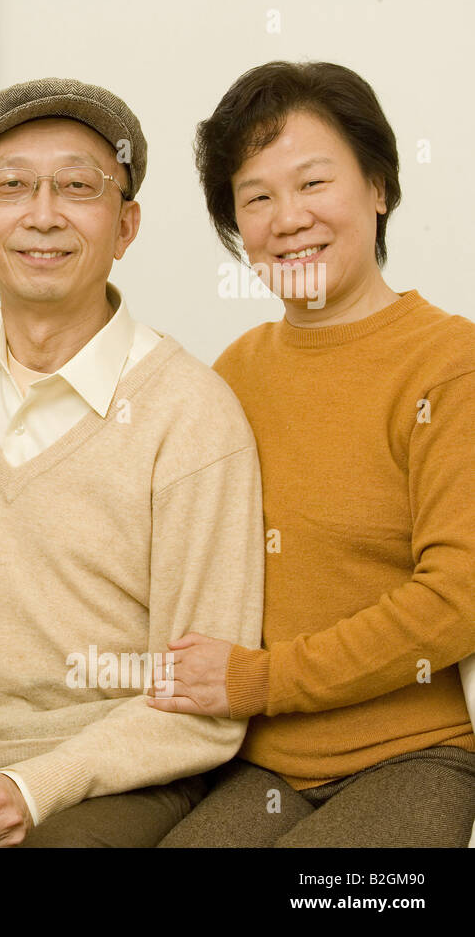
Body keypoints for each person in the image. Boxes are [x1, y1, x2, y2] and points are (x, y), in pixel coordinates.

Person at [0, 79, 265, 848]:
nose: (43, 213)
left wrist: (34, 786)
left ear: (125, 227)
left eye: (78, 186)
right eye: (11, 185)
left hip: (127, 765)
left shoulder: (192, 411)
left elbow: (204, 701)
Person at [151, 60, 475, 847]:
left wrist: (263, 680)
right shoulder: (234, 370)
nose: (286, 218)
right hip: (255, 763)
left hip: (413, 756)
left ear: (379, 188)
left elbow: (457, 598)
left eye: (313, 183)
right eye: (256, 196)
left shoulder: (449, 363)